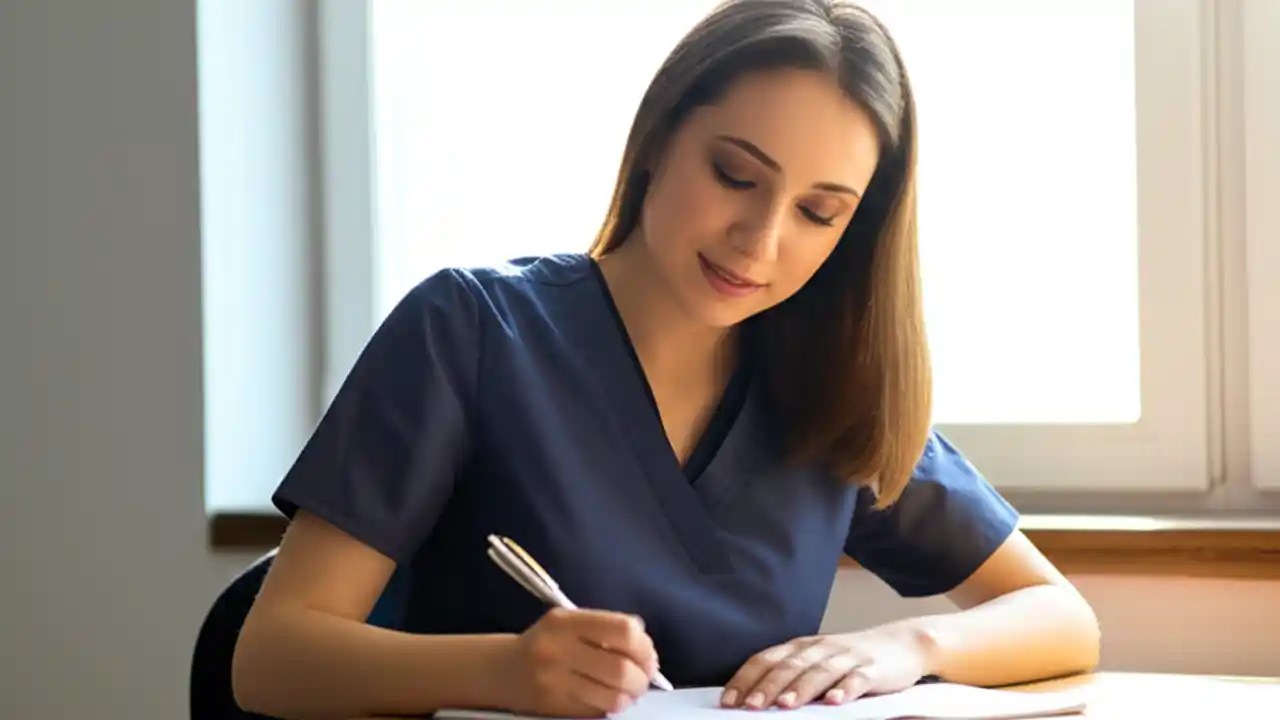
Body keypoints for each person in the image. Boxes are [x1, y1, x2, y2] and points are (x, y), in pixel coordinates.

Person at [230, 1, 1101, 717]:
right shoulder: (473, 330)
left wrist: (901, 647)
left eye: (819, 213)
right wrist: (502, 672)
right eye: (734, 174)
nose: (759, 243)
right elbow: (271, 658)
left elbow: (1060, 617)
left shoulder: (828, 389)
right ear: (656, 142)